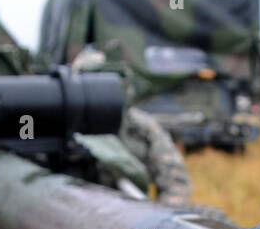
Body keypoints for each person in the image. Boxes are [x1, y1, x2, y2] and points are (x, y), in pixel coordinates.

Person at [70, 47, 193, 206]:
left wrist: (157, 221)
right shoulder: (67, 127)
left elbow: (176, 183)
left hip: (132, 214)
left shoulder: (141, 127)